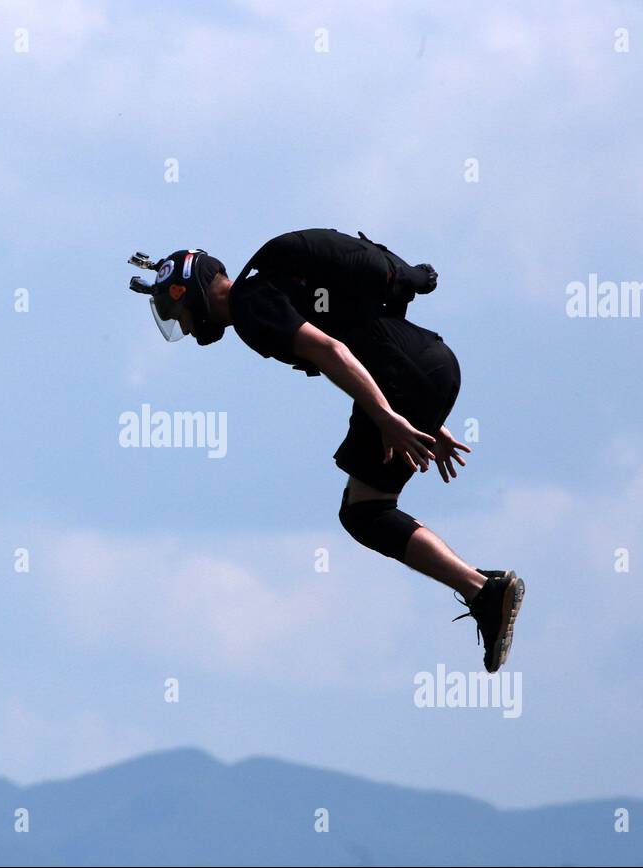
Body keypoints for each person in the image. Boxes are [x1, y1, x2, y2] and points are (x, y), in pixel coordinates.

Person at [128, 228, 524, 672]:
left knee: (365, 513)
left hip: (406, 377)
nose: (179, 322)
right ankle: (481, 589)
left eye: (173, 309)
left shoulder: (251, 307)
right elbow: (356, 332)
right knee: (365, 508)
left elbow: (332, 350)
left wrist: (390, 417)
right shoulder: (271, 286)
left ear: (194, 292)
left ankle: (482, 591)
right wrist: (421, 414)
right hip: (429, 362)